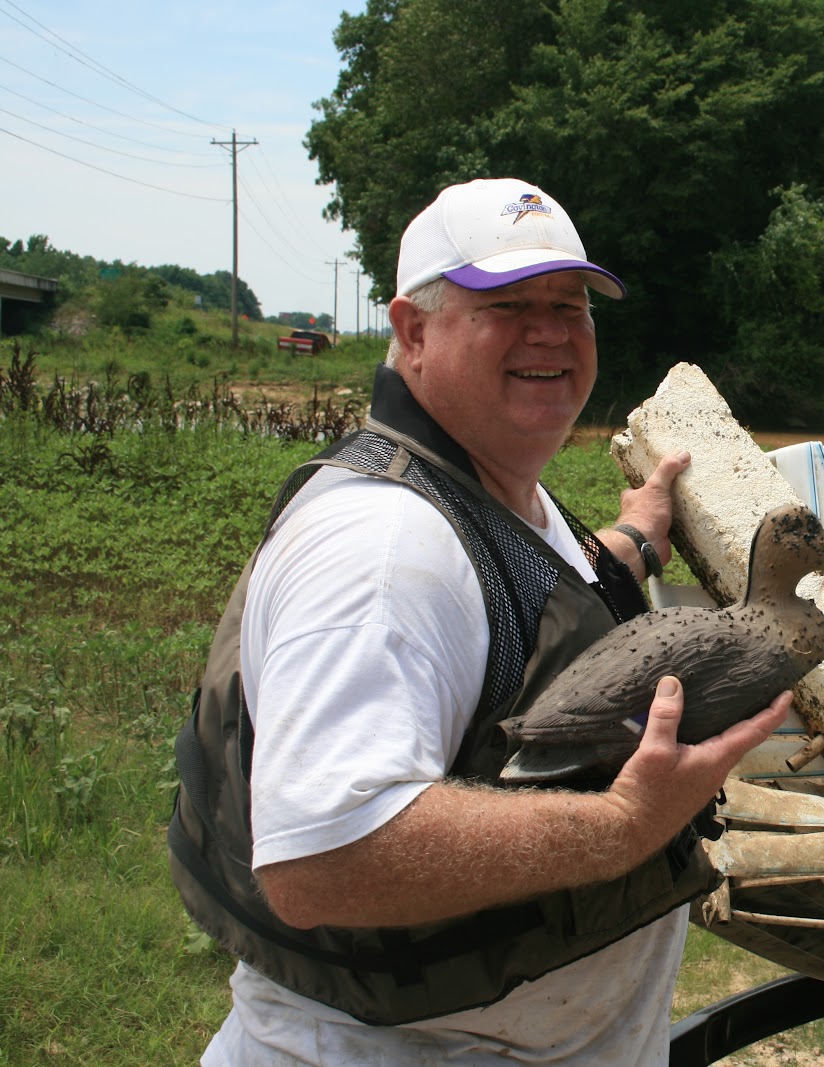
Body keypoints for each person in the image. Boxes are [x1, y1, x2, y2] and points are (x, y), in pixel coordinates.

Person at [168, 177, 791, 1064]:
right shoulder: (379, 547)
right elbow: (323, 858)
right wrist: (624, 824)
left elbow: (528, 610)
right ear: (413, 330)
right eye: (508, 304)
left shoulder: (487, 486)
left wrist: (635, 538)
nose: (551, 331)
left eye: (570, 306)